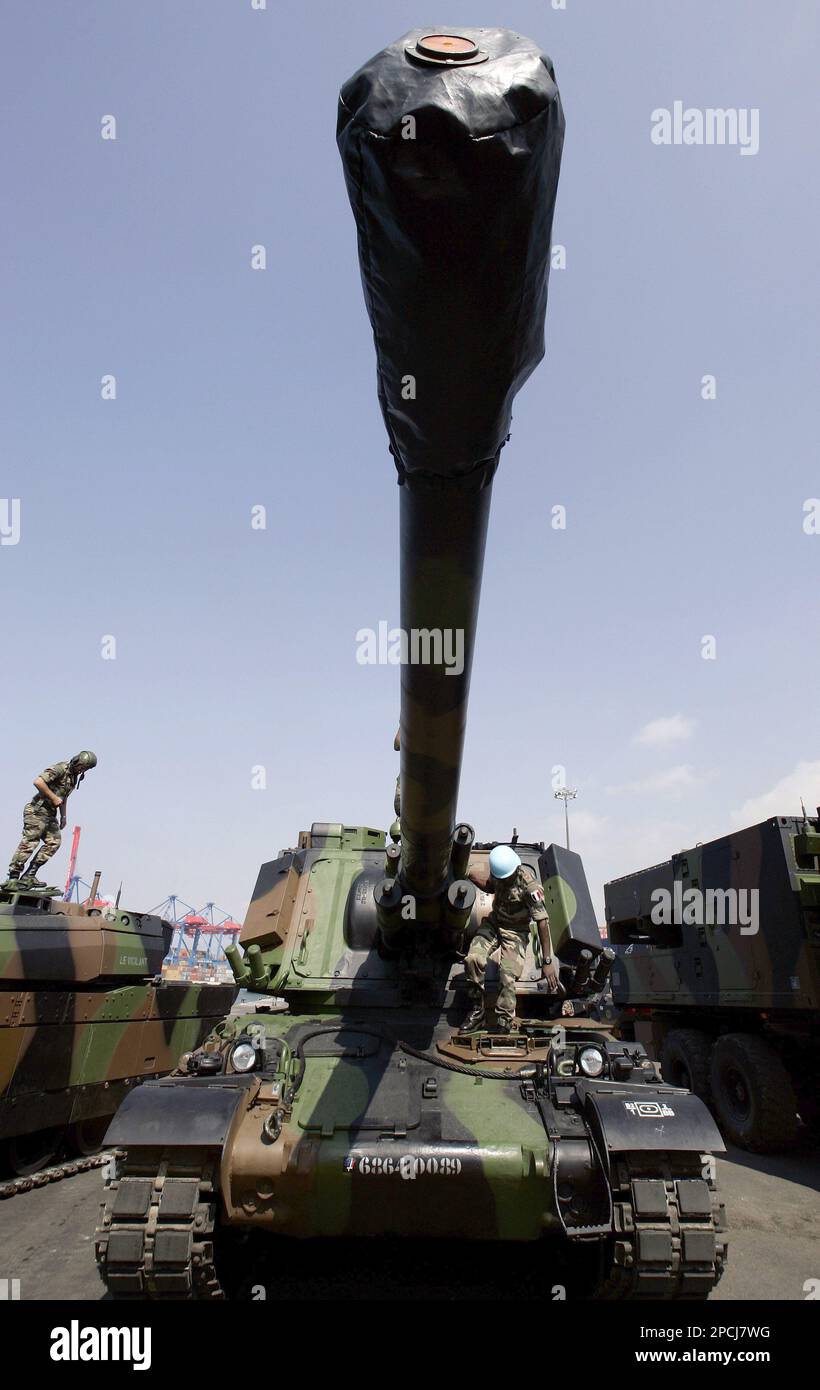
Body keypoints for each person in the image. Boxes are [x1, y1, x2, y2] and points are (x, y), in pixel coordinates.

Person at [463, 844, 560, 1033]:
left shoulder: (529, 886)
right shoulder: (500, 873)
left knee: (507, 976)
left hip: (516, 932)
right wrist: (469, 874)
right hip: (494, 923)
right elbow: (490, 886)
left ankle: (504, 1020)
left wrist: (547, 961)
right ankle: (478, 1011)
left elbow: (542, 922)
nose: (503, 880)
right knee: (472, 959)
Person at [5, 751, 97, 887]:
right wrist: (53, 798)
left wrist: (63, 816)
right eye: (81, 767)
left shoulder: (73, 777)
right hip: (37, 810)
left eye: (85, 769)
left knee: (54, 842)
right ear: (76, 761)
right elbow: (38, 782)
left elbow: (64, 797)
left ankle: (29, 875)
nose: (81, 770)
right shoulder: (61, 768)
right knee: (30, 842)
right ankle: (13, 877)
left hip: (50, 814)